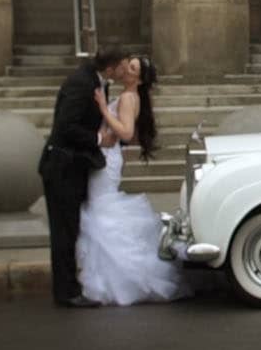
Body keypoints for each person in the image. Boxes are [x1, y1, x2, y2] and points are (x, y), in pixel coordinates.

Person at [75, 54, 191, 306]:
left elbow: (126, 132)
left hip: (107, 158)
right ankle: (106, 276)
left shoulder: (129, 97)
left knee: (100, 210)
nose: (126, 67)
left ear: (138, 78)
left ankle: (113, 278)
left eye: (133, 67)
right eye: (129, 63)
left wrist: (105, 109)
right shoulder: (132, 97)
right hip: (108, 154)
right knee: (100, 209)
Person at [38, 47, 130, 308]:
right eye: (123, 65)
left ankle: (70, 286)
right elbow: (65, 127)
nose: (126, 70)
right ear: (111, 67)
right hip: (62, 168)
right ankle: (66, 292)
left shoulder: (97, 80)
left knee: (71, 229)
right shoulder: (81, 83)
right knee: (64, 232)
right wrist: (100, 139)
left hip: (76, 166)